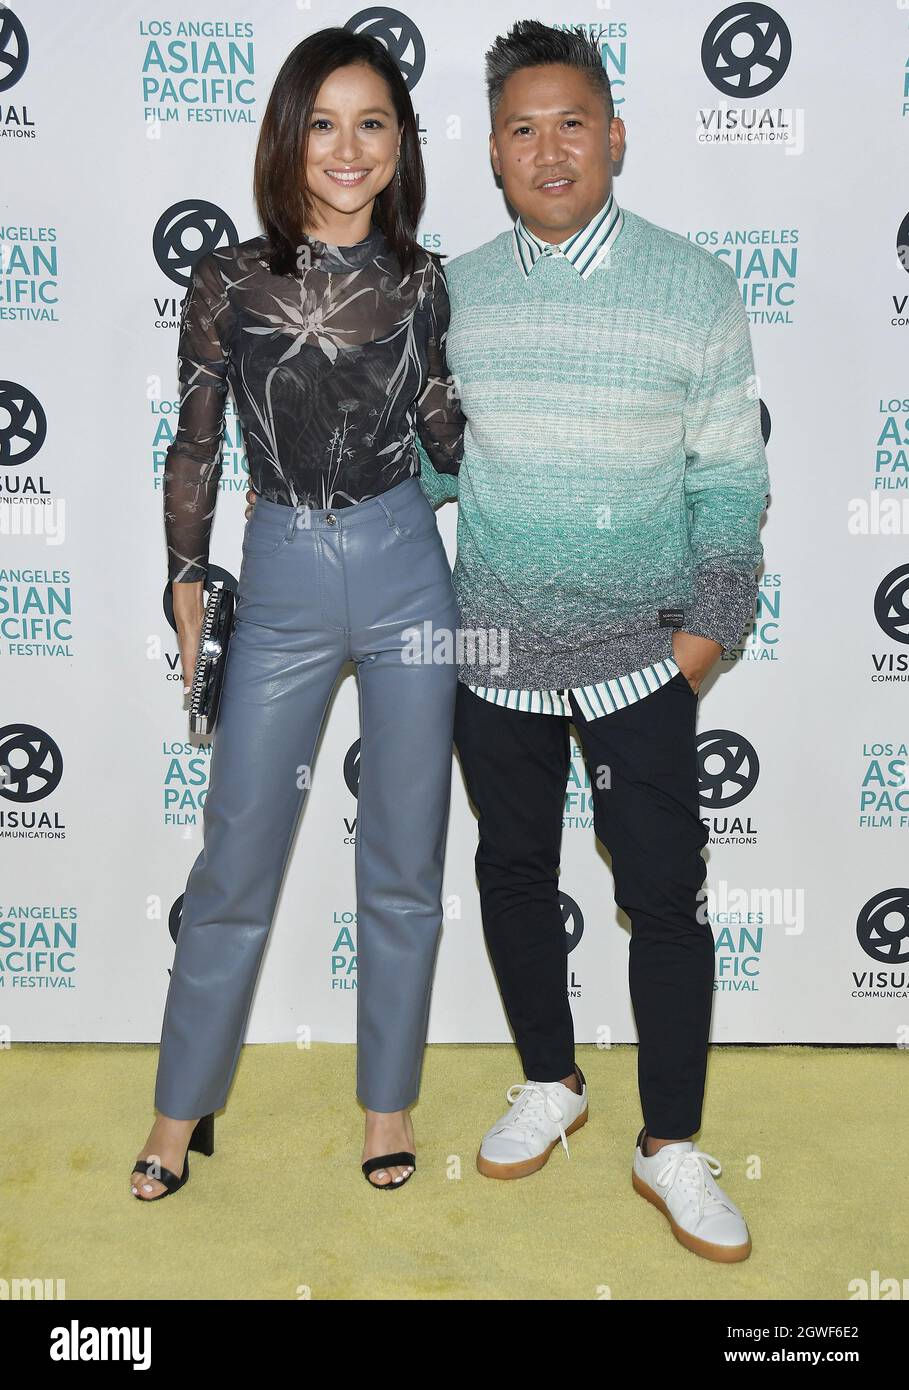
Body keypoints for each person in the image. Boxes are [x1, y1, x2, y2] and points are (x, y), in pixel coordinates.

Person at [415, 20, 770, 1262]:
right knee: (513, 873)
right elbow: (426, 466)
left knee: (664, 896)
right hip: (496, 650)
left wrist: (703, 640)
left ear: (615, 136)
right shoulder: (451, 291)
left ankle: (669, 1143)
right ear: (495, 153)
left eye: (572, 123)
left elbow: (730, 478)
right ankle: (552, 1081)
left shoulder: (695, 284)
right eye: (521, 128)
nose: (548, 148)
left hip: (643, 656)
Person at [130, 25, 464, 1200]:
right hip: (277, 569)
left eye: (372, 123)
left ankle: (388, 1107)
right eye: (323, 122)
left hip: (409, 567)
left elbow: (444, 440)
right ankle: (179, 1114)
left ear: (400, 145)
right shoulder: (226, 277)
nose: (347, 147)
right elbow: (197, 437)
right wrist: (185, 575)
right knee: (235, 862)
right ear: (287, 136)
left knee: (407, 860)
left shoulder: (427, 282)